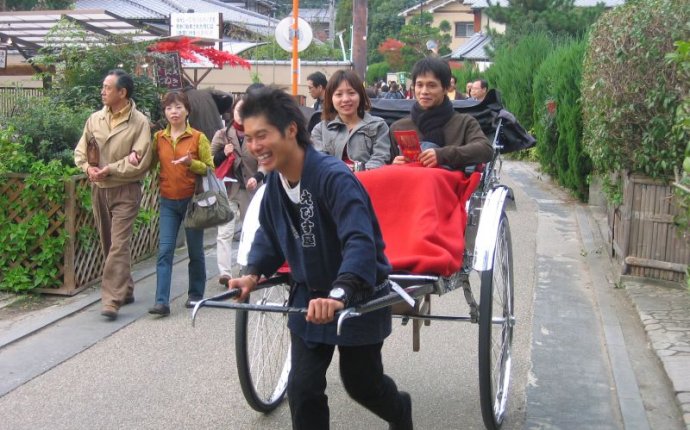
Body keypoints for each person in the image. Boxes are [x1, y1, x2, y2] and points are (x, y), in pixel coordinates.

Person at [230, 86, 412, 430]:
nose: (254, 146)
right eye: (250, 137)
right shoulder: (275, 186)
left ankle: (400, 411)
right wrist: (252, 274)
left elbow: (360, 240)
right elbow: (269, 237)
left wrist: (341, 292)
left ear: (291, 130)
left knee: (363, 385)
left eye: (262, 135)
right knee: (303, 389)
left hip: (357, 295)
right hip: (310, 297)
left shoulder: (333, 177)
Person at [74, 69, 153, 321]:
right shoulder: (94, 119)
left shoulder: (139, 122)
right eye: (103, 86)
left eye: (108, 87)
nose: (102, 91)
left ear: (122, 92)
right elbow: (80, 152)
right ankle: (126, 288)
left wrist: (111, 168)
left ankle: (110, 300)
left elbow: (140, 161)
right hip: (99, 189)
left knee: (119, 245)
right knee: (109, 243)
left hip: (126, 189)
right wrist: (89, 168)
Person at [147, 91, 214, 316]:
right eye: (169, 108)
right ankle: (161, 302)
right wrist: (135, 159)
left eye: (178, 107)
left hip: (192, 201)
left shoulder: (197, 137)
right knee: (165, 251)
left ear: (187, 110)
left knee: (195, 251)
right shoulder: (159, 138)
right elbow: (150, 163)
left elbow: (209, 168)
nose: (173, 112)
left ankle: (195, 294)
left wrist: (191, 163)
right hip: (168, 201)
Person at [391, 57, 492, 169]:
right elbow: (384, 162)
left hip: (448, 184)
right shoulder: (399, 127)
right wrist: (393, 164)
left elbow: (485, 150)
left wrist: (442, 155)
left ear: (446, 88)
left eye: (432, 85)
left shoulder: (464, 123)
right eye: (419, 85)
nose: (424, 91)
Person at [211, 96, 266, 284]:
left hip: (251, 190)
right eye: (238, 110)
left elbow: (265, 161)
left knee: (252, 230)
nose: (241, 115)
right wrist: (222, 154)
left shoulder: (259, 134)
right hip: (229, 189)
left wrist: (257, 177)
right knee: (225, 232)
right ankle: (225, 273)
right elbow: (210, 161)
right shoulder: (223, 134)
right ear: (232, 112)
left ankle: (250, 269)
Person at [311, 69, 391, 170]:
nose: (345, 99)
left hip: (367, 181)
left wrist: (357, 172)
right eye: (339, 94)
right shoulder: (320, 130)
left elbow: (380, 159)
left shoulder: (378, 125)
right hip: (333, 182)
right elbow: (320, 162)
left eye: (351, 93)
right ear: (331, 98)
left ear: (360, 96)